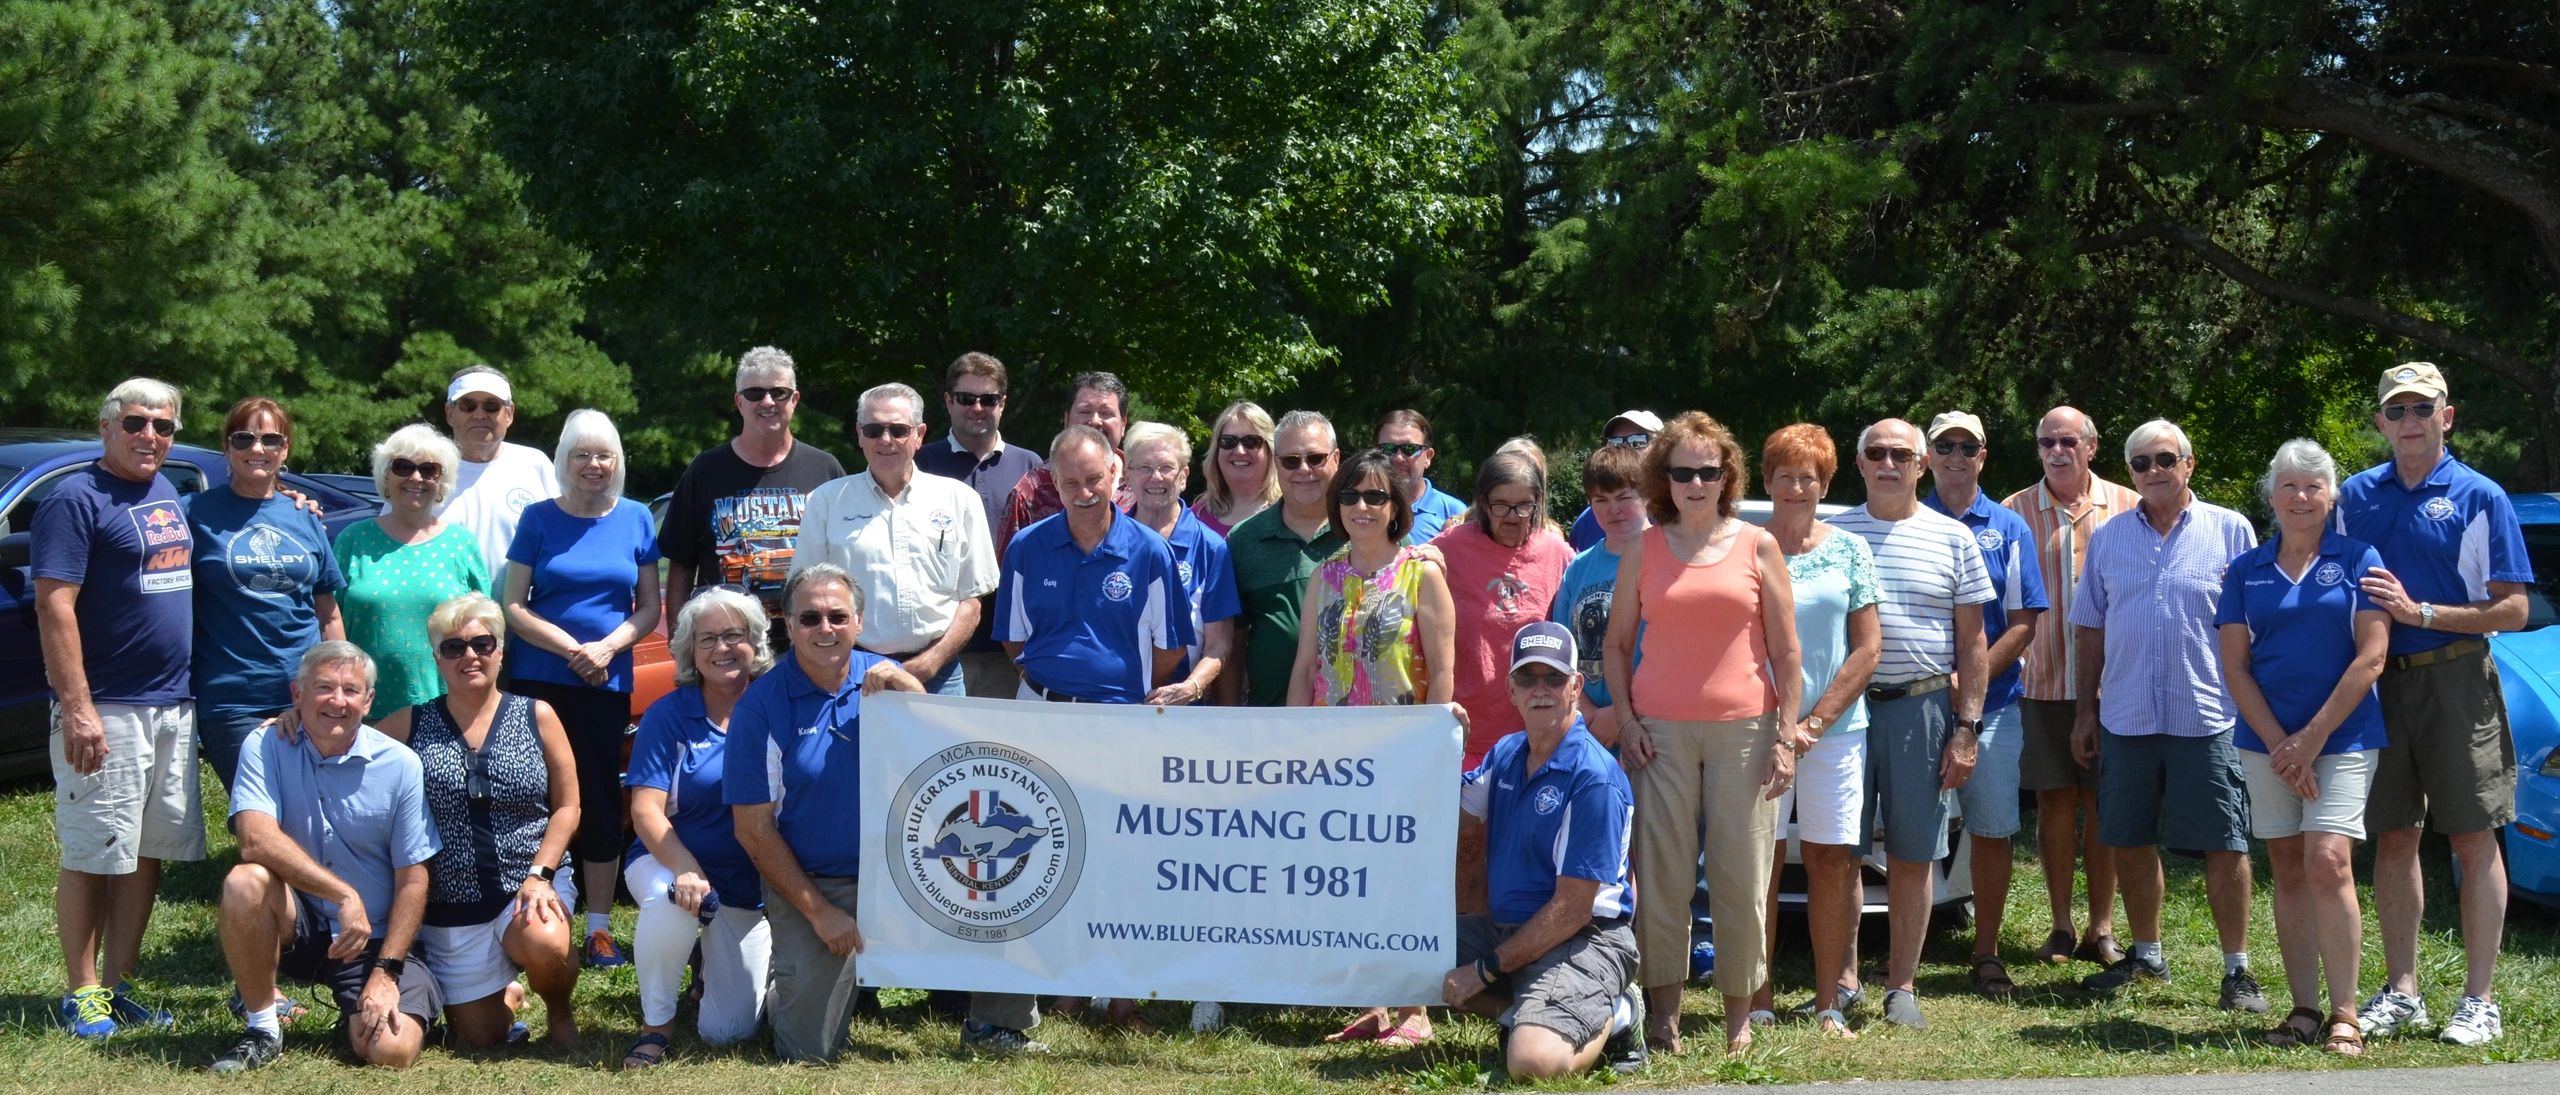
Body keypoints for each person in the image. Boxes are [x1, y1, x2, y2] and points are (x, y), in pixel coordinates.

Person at [975, 425, 1192, 1047]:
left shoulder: (1149, 551)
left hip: (1117, 723)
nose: (1085, 492)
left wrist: (1107, 691)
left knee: (1119, 858)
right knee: (1038, 852)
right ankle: (1061, 988)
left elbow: (1170, 651)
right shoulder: (1026, 546)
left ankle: (1121, 996)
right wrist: (1058, 685)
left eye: (1095, 479)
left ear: (1116, 472)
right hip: (1039, 713)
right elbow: (1014, 639)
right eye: (1070, 482)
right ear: (1053, 483)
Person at [2338, 362, 2533, 1047]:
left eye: (2423, 408)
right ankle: (2403, 989)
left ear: (2447, 416)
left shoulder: (2482, 496)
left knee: (2473, 835)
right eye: (2397, 410)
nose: (2410, 420)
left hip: (2457, 679)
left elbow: (2512, 608)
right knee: (2394, 835)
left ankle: (2480, 1000)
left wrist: (2420, 610)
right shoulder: (2354, 495)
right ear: (2381, 422)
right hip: (2379, 681)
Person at [1607, 411, 1801, 1054]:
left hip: (1745, 731)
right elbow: (1615, 646)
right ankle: (1664, 1016)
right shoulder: (1645, 545)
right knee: (1661, 876)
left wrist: (1785, 734)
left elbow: (1788, 653)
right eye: (1682, 471)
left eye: (1707, 471)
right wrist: (1629, 721)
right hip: (1658, 734)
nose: (1695, 482)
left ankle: (1740, 1018)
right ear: (1664, 478)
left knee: (1740, 877)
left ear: (1727, 476)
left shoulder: (1758, 544)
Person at [2069, 419, 2265, 1014]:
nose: (2153, 471)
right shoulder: (2108, 538)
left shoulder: (2232, 531)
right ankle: (2146, 952)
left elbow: (2258, 625)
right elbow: (2089, 628)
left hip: (2208, 714)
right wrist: (2085, 713)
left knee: (2225, 842)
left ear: (2189, 463)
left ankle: (2238, 969)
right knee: (2127, 836)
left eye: (2164, 459)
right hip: (2126, 715)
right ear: (2129, 472)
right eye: (2140, 463)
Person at [34, 377, 203, 1038]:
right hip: (107, 706)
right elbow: (54, 606)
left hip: (171, 703)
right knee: (94, 849)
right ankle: (82, 991)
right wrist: (78, 707)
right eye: (135, 422)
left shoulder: (166, 491)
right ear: (106, 426)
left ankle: (120, 982)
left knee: (146, 849)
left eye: (163, 425)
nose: (149, 435)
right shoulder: (75, 498)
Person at [2217, 440, 2389, 1056]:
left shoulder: (2360, 558)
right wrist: (2278, 744)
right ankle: (2304, 1008)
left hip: (2341, 739)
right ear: (2271, 497)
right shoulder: (2245, 571)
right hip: (2265, 744)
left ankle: (2346, 1012)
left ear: (2331, 495)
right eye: (2288, 486)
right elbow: (2235, 667)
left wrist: (2308, 740)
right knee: (2287, 867)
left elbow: (2372, 656)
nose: (2300, 496)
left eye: (2313, 486)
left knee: (2328, 862)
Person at [352, 593, 583, 1045]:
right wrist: (292, 722)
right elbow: (342, 740)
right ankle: (509, 995)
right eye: (454, 648)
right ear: (437, 658)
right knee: (480, 1038)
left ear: (501, 650)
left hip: (525, 884)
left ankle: (559, 1012)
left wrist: (541, 875)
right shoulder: (409, 724)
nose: (470, 656)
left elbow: (568, 805)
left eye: (482, 644)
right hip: (451, 905)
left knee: (546, 940)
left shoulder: (538, 714)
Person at [1287, 448, 1457, 1048]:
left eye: (1376, 496)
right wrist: (1291, 745)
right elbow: (1306, 668)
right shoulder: (1323, 576)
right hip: (1332, 757)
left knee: (1400, 879)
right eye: (1352, 496)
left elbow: (1441, 672)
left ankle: (1416, 1011)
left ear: (1396, 507)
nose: (1362, 506)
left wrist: (1430, 748)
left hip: (1400, 755)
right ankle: (1374, 1004)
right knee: (1349, 880)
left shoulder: (1422, 573)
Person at [1826, 417, 1991, 1030]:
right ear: (1860, 462)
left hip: (1921, 708)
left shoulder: (1953, 540)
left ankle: (1901, 986)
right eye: (1877, 452)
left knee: (1912, 852)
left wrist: (1966, 727)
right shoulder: (1831, 535)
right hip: (1842, 709)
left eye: (1902, 453)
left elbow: (1973, 644)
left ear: (1922, 465)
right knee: (1838, 849)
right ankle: (1842, 982)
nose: (1889, 463)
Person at [209, 642, 442, 1072]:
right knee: (245, 881)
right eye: (324, 688)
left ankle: (361, 1010)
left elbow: (413, 877)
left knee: (391, 1053)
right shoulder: (265, 744)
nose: (338, 701)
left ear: (369, 701)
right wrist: (342, 895)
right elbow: (254, 839)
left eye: (351, 690)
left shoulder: (401, 765)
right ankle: (262, 1027)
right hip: (300, 923)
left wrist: (387, 972)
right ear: (297, 694)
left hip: (371, 939)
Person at [727, 564, 924, 1063]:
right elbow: (752, 829)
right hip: (818, 882)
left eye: (838, 616)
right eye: (810, 618)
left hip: (909, 874)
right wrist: (820, 913)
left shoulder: (888, 680)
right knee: (807, 1052)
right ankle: (789, 980)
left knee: (1004, 907)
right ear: (787, 626)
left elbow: (949, 765)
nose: (825, 629)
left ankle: (999, 1023)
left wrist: (915, 696)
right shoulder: (761, 706)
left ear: (859, 622)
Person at [1442, 621, 1644, 1079]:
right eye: (1527, 678)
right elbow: (1445, 816)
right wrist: (1439, 742)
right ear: (1510, 690)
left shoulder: (1593, 776)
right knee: (1405, 954)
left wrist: (1484, 970)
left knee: (1533, 1065)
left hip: (1585, 937)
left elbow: (1573, 911)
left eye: (1553, 677)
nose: (1541, 689)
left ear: (1575, 686)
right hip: (1508, 929)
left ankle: (1618, 1014)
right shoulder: (1505, 752)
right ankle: (1527, 1016)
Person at [501, 409, 661, 968]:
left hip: (605, 678)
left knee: (597, 796)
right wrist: (573, 649)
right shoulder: (538, 518)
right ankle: (525, 912)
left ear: (617, 462)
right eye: (582, 455)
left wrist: (606, 649)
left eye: (604, 455)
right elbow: (514, 605)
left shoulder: (639, 519)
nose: (594, 465)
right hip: (538, 677)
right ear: (564, 461)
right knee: (529, 793)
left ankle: (597, 929)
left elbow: (649, 608)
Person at [1747, 423, 1881, 1039]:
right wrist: (1780, 727)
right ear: (1766, 480)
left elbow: (1868, 649)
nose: (1797, 486)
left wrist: (1812, 724)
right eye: (1785, 474)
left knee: (1831, 864)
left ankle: (1828, 1004)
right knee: (1759, 866)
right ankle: (1758, 999)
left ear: (1826, 483)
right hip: (1752, 731)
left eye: (1810, 476)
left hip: (1836, 733)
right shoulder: (1744, 546)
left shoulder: (1852, 550)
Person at [2001, 406, 2138, 968]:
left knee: (2104, 806)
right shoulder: (2015, 511)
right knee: (2055, 803)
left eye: (2067, 441)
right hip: (2041, 679)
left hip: (2114, 686)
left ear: (2091, 446)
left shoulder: (2128, 506)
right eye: (2046, 441)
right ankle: (2060, 924)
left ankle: (2102, 928)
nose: (2057, 451)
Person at [619, 588, 778, 1068]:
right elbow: (645, 809)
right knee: (673, 895)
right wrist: (687, 868)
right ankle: (656, 1026)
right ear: (689, 649)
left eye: (735, 635)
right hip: (669, 859)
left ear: (756, 642)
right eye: (707, 638)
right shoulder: (670, 714)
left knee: (727, 1031)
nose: (722, 648)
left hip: (746, 887)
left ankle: (713, 971)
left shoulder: (776, 705)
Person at [1919, 411, 2048, 1002]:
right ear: (1927, 455)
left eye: (1965, 446)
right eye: (1943, 445)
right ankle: (1904, 955)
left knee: (1992, 829)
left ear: (1983, 456)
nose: (1954, 455)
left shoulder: (2008, 529)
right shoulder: (1903, 521)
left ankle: (1987, 952)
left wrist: (1968, 679)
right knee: (1905, 833)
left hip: (1991, 706)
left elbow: (2024, 624)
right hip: (1911, 707)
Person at [794, 383, 1000, 696]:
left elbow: (971, 601)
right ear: (860, 434)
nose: (886, 440)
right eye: (874, 430)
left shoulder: (960, 500)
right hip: (853, 676)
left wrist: (928, 664)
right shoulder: (826, 502)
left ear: (919, 435)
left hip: (939, 674)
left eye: (899, 430)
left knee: (943, 749)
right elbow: (805, 595)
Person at [187, 397, 346, 792]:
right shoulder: (194, 513)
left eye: (270, 439)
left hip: (308, 692)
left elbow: (328, 613)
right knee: (258, 809)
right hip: (233, 696)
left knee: (316, 803)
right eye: (244, 438)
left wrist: (338, 681)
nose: (257, 449)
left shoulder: (305, 516)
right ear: (227, 447)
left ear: (285, 449)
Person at [659, 346, 847, 639]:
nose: (768, 402)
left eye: (779, 393)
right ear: (739, 402)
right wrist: (679, 643)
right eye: (755, 393)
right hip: (727, 644)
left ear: (794, 399)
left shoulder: (825, 469)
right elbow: (681, 564)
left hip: (808, 643)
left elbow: (845, 562)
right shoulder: (705, 470)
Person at [336, 425, 489, 720]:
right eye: (403, 467)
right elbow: (328, 621)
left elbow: (485, 631)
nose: (416, 478)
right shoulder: (353, 540)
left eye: (429, 469)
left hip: (447, 708)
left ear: (442, 481)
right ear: (385, 475)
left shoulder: (461, 544)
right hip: (363, 709)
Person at [1436, 445, 1576, 769]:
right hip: (1469, 732)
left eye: (1523, 505)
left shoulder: (1556, 551)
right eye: (1501, 505)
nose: (1512, 517)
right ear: (1484, 503)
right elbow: (1405, 570)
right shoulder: (1452, 546)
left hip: (1539, 734)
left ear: (1538, 502)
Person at [917, 351, 1043, 698]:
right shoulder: (920, 462)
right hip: (939, 649)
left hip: (1010, 649)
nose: (977, 408)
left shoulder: (1029, 464)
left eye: (988, 399)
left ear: (1002, 403)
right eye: (965, 398)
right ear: (947, 401)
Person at [1228, 411, 1348, 706]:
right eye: (1291, 461)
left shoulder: (1367, 528)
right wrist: (1226, 718)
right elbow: (1231, 643)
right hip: (1271, 723)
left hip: (1360, 724)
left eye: (1316, 458)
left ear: (1336, 458)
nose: (1303, 470)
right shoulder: (1243, 540)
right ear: (1275, 463)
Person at [1124, 421, 1239, 709]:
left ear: (1184, 476)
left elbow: (1218, 645)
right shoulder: (1106, 538)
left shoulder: (1211, 548)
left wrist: (1192, 687)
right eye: (1144, 468)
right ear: (1127, 475)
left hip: (1179, 709)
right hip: (1111, 701)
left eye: (1166, 468)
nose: (1156, 477)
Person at [1548, 444, 1650, 745]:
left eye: (1623, 497)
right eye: (1601, 500)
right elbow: (1562, 652)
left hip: (1653, 727)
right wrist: (1590, 714)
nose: (1613, 509)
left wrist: (1622, 716)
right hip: (1590, 730)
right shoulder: (1578, 568)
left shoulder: (1669, 559)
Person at [437, 366, 560, 580]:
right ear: (450, 413)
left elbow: (563, 536)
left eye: (491, 406)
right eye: (467, 405)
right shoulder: (424, 468)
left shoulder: (535, 464)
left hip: (521, 610)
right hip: (444, 611)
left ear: (509, 413)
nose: (479, 415)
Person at [996, 370, 1134, 547]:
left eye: (1106, 413)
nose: (1095, 421)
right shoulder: (1030, 492)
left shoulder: (1143, 482)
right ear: (1067, 419)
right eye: (1085, 411)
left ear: (1123, 423)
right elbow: (1008, 564)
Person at [1567, 411, 1662, 550]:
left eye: (1637, 442)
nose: (1624, 450)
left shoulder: (1683, 512)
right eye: (1616, 443)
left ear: (1663, 448)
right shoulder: (1588, 522)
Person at [1376, 409, 1468, 544]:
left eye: (1410, 449)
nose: (1398, 458)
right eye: (1388, 449)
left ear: (1428, 457)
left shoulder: (1454, 512)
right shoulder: (1358, 507)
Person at [1192, 400, 1280, 535]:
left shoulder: (1289, 514)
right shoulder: (1195, 518)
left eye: (1251, 441)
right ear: (1217, 452)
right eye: (1228, 441)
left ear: (1269, 450)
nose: (1239, 451)